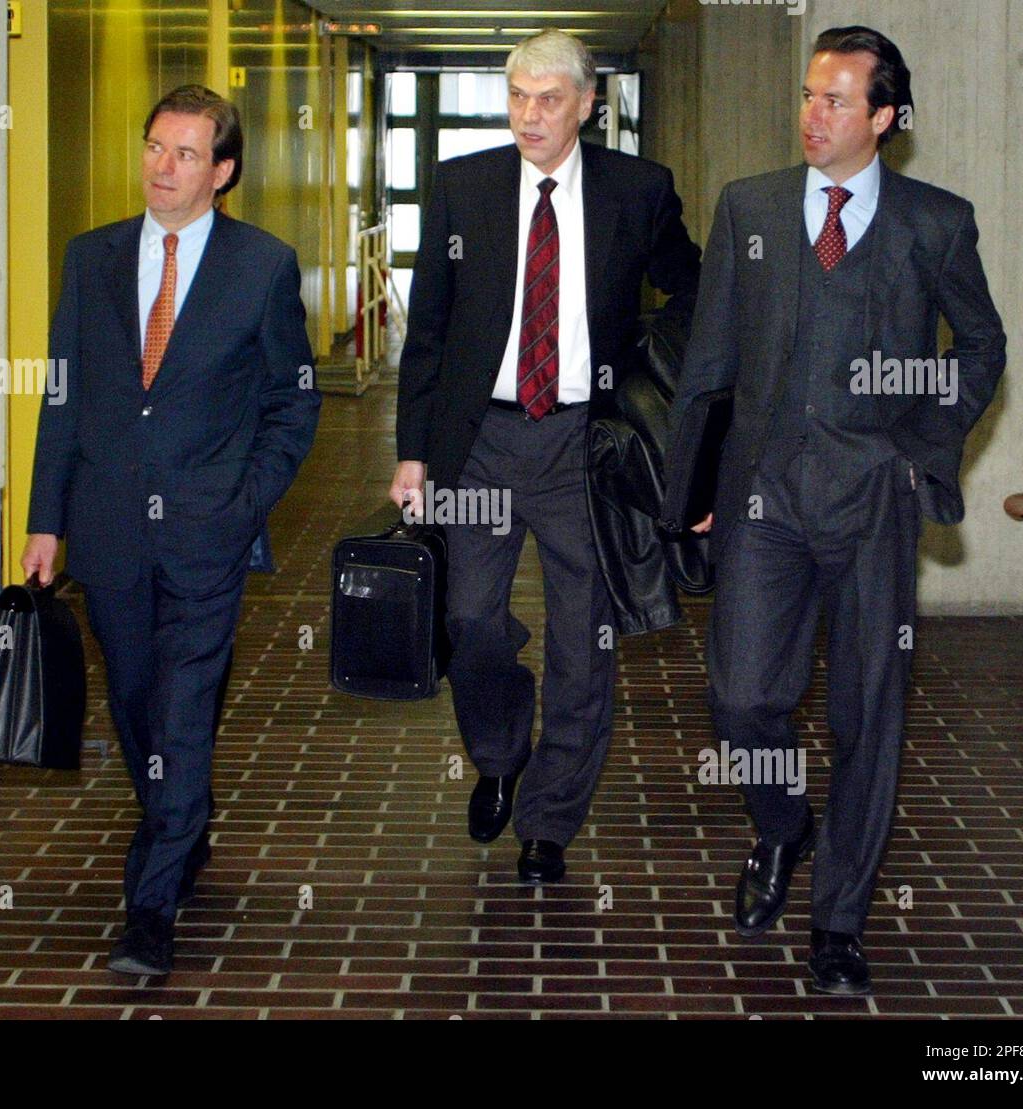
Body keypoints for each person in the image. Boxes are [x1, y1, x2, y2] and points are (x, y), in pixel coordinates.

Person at [669, 27, 1005, 993]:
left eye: (836, 101)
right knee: (741, 698)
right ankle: (782, 824)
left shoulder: (936, 223)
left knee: (869, 714)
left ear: (885, 116)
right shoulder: (752, 207)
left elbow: (981, 345)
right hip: (764, 496)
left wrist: (918, 446)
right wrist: (694, 488)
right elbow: (711, 358)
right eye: (808, 96)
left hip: (872, 502)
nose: (812, 116)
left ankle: (839, 920)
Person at [22, 84, 320, 976]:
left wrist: (245, 500)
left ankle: (149, 909)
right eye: (155, 147)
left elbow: (293, 400)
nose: (163, 167)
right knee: (136, 702)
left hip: (206, 531)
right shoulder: (93, 258)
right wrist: (45, 521)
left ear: (221, 171)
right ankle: (181, 820)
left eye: (186, 154)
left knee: (184, 707)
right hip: (108, 525)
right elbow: (62, 396)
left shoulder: (261, 267)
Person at [391, 29, 700, 883]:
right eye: (517, 96)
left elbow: (696, 289)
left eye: (549, 99)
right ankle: (499, 753)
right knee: (468, 618)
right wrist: (413, 453)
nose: (529, 115)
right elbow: (428, 331)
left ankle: (550, 818)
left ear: (587, 105)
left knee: (583, 638)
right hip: (481, 442)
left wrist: (656, 385)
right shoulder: (463, 187)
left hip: (581, 446)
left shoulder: (638, 191)